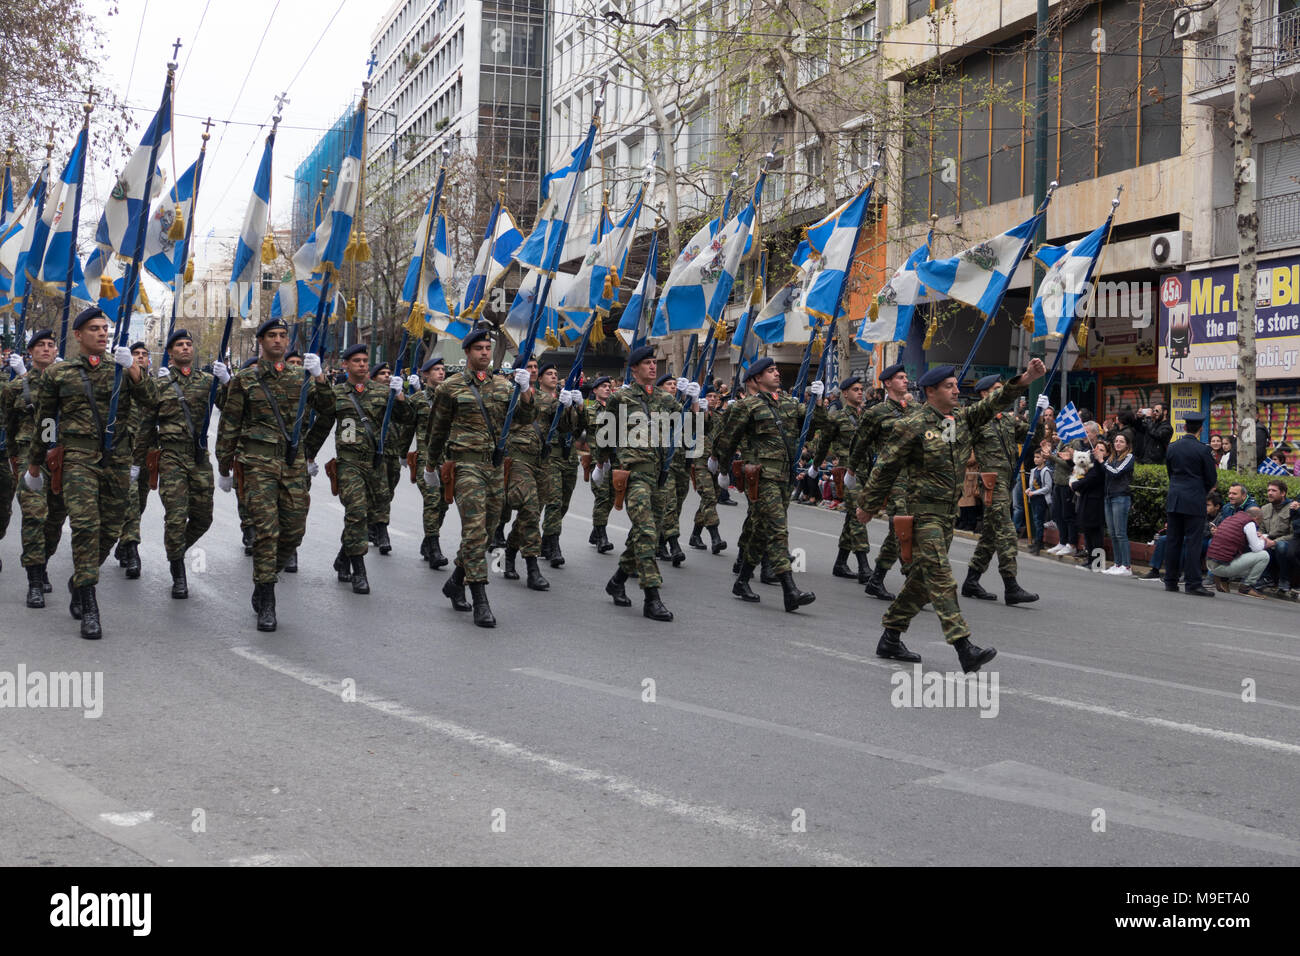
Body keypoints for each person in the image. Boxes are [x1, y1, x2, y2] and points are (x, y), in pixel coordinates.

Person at [858, 357, 1047, 673]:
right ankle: (964, 647)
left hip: (947, 517)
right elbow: (885, 467)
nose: (957, 390)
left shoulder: (960, 420)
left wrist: (1025, 379)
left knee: (921, 582)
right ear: (931, 390)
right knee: (943, 579)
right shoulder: (912, 425)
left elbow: (994, 403)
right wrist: (867, 504)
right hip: (924, 516)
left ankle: (890, 636)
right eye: (949, 386)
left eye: (956, 385)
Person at [26, 307, 152, 639]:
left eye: (105, 328)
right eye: (94, 328)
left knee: (110, 529)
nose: (102, 333)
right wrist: (37, 462)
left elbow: (152, 401)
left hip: (117, 458)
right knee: (85, 526)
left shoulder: (122, 369)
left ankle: (79, 577)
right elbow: (46, 420)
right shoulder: (60, 373)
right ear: (78, 335)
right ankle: (89, 602)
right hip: (78, 457)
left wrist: (134, 371)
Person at [423, 325, 534, 627]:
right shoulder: (451, 387)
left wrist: (525, 392)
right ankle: (480, 600)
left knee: (485, 533)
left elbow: (525, 420)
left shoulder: (503, 386)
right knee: (473, 532)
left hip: (496, 467)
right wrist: (431, 466)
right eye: (479, 349)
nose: (484, 353)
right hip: (465, 466)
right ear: (468, 353)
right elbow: (438, 429)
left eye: (488, 348)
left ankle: (456, 581)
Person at [215, 318, 316, 631]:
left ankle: (264, 581)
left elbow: (328, 410)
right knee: (267, 532)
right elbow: (229, 423)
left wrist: (322, 377)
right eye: (272, 336)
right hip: (258, 463)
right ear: (261, 341)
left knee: (294, 530)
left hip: (293, 463)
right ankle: (267, 597)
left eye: (283, 336)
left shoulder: (302, 377)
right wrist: (224, 466)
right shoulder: (245, 380)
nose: (278, 341)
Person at [710, 357, 822, 613]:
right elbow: (726, 439)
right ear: (757, 378)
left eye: (776, 370)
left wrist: (818, 400)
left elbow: (818, 423)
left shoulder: (790, 404)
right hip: (761, 477)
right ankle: (790, 590)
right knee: (778, 530)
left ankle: (742, 581)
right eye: (770, 371)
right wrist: (723, 470)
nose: (776, 374)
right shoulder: (746, 406)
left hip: (785, 476)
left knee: (761, 532)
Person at [306, 343, 411, 595]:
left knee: (368, 516)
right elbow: (322, 422)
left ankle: (343, 557)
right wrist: (308, 457)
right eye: (356, 361)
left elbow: (405, 418)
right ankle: (359, 569)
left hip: (377, 462)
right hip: (349, 462)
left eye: (365, 360)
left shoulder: (381, 392)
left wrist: (400, 396)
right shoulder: (338, 393)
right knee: (356, 511)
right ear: (346, 365)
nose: (362, 364)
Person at [595, 346, 681, 621]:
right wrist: (601, 464)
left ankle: (617, 580)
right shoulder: (620, 398)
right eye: (647, 364)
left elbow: (687, 423)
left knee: (648, 534)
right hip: (633, 474)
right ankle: (652, 597)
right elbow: (605, 432)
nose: (653, 367)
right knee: (645, 531)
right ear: (634, 369)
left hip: (659, 474)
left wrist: (693, 401)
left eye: (655, 363)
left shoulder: (664, 398)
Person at [147, 329, 217, 599]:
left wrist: (226, 380)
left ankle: (176, 550)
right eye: (180, 345)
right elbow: (146, 425)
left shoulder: (208, 382)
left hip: (199, 456)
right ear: (170, 353)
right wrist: (143, 461)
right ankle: (178, 571)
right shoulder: (160, 385)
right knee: (176, 517)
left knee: (203, 517)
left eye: (189, 344)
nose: (186, 348)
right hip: (172, 457)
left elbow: (233, 405)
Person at [961, 374, 1038, 605]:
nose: (1002, 391)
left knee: (991, 535)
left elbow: (1032, 436)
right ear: (985, 394)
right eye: (997, 388)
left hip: (1008, 479)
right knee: (1006, 531)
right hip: (990, 482)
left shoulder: (1005, 419)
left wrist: (1040, 419)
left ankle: (971, 581)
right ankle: (1011, 585)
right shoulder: (975, 419)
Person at [2, 329, 65, 606]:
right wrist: (16, 459)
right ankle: (35, 580)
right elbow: (8, 424)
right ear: (30, 352)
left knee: (55, 519)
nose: (46, 349)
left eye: (51, 345)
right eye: (40, 345)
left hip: (61, 456)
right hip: (30, 456)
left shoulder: (67, 383)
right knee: (34, 517)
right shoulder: (16, 387)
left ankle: (44, 560)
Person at [847, 362, 915, 601]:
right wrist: (851, 471)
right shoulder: (876, 412)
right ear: (887, 383)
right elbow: (860, 443)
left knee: (908, 530)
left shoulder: (915, 409)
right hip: (892, 476)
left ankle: (894, 579)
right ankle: (884, 579)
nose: (905, 380)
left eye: (906, 377)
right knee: (902, 528)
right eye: (900, 377)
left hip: (915, 478)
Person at [501, 357, 555, 591]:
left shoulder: (545, 398)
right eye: (528, 368)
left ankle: (510, 551)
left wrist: (575, 406)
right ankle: (532, 567)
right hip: (517, 458)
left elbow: (566, 426)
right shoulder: (506, 394)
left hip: (541, 461)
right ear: (517, 372)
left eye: (535, 368)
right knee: (531, 509)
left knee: (529, 514)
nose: (533, 371)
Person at [811, 374, 870, 582]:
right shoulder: (837, 417)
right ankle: (865, 567)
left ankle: (840, 563)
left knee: (851, 518)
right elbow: (823, 442)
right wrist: (816, 465)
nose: (860, 392)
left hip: (866, 471)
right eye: (855, 389)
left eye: (862, 389)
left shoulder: (867, 416)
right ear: (845, 394)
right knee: (858, 515)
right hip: (847, 472)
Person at [1162, 410, 1218, 596]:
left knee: (1173, 540)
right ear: (1200, 429)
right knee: (1193, 542)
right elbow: (1211, 478)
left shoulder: (1172, 447)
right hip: (1194, 499)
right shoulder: (1203, 450)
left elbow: (1170, 473)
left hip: (1175, 498)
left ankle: (1170, 580)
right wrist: (1202, 490)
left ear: (1185, 427)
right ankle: (1193, 583)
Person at [113, 341, 154, 580]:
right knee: (130, 505)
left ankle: (123, 544)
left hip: (146, 455)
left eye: (143, 354)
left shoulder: (154, 385)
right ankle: (132, 550)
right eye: (135, 353)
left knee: (139, 504)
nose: (139, 357)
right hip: (124, 453)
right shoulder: (120, 381)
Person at [539, 361, 584, 569]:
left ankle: (547, 539)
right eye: (549, 373)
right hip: (550, 457)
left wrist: (580, 406)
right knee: (554, 501)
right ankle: (554, 544)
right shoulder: (537, 398)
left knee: (564, 502)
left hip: (569, 456)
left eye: (556, 373)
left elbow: (582, 427)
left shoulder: (566, 398)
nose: (554, 376)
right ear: (540, 378)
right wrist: (560, 406)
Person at [411, 355, 450, 569]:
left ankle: (428, 541)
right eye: (436, 370)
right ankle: (434, 547)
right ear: (426, 374)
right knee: (433, 501)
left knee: (443, 504)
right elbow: (407, 428)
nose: (441, 373)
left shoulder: (450, 397)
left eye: (442, 369)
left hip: (447, 459)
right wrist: (400, 454)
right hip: (426, 459)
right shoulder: (417, 400)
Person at [687, 388, 727, 555]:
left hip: (716, 462)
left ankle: (695, 535)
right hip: (700, 461)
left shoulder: (720, 418)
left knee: (710, 500)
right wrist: (697, 409)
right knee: (709, 497)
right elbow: (691, 429)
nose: (711, 399)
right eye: (708, 396)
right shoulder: (698, 416)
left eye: (714, 397)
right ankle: (715, 538)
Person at [1206, 506, 1272, 597]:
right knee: (1264, 556)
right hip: (1221, 566)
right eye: (1259, 523)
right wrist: (1264, 541)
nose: (1257, 526)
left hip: (1210, 563)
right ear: (1257, 518)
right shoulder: (1250, 523)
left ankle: (1223, 578)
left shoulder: (1231, 518)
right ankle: (1246, 587)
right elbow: (1256, 548)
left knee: (1247, 558)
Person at [585, 376, 616, 553]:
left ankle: (595, 531)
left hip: (613, 460)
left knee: (611, 497)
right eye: (603, 386)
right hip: (597, 461)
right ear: (595, 390)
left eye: (608, 386)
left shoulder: (616, 410)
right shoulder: (589, 411)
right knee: (602, 497)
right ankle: (602, 538)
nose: (607, 389)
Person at [1101, 432, 1136, 575]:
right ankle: (1118, 563)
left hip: (1121, 497)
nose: (1118, 444)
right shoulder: (1111, 458)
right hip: (1108, 497)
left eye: (1121, 441)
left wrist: (1101, 463)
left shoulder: (1129, 457)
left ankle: (1126, 566)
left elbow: (1116, 472)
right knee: (1113, 533)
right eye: (1116, 441)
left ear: (1127, 444)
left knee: (1121, 533)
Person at [1256, 478, 1299, 593]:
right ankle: (1265, 578)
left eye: (1274, 490)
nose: (1270, 493)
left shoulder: (1292, 508)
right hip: (1268, 541)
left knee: (1281, 546)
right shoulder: (1265, 508)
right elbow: (1261, 528)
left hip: (1286, 542)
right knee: (1254, 543)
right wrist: (1260, 535)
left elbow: (1293, 534)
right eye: (1268, 490)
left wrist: (1274, 542)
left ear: (1283, 493)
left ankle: (1284, 579)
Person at [1070, 440, 1108, 569]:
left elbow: (1090, 480)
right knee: (1088, 532)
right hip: (1087, 501)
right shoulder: (1093, 465)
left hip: (1096, 503)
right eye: (1097, 449)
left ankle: (1098, 562)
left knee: (1096, 534)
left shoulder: (1101, 465)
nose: (1098, 451)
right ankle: (1090, 560)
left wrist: (1074, 485)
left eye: (1102, 450)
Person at [1026, 448, 1053, 556]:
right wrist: (1028, 490)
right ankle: (1037, 541)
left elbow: (1047, 487)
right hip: (1033, 498)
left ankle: (1039, 542)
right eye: (1035, 457)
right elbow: (1032, 484)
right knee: (1036, 520)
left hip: (1041, 499)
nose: (1035, 459)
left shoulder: (1046, 471)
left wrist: (1035, 492)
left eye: (1038, 457)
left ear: (1044, 459)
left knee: (1039, 521)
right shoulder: (1033, 470)